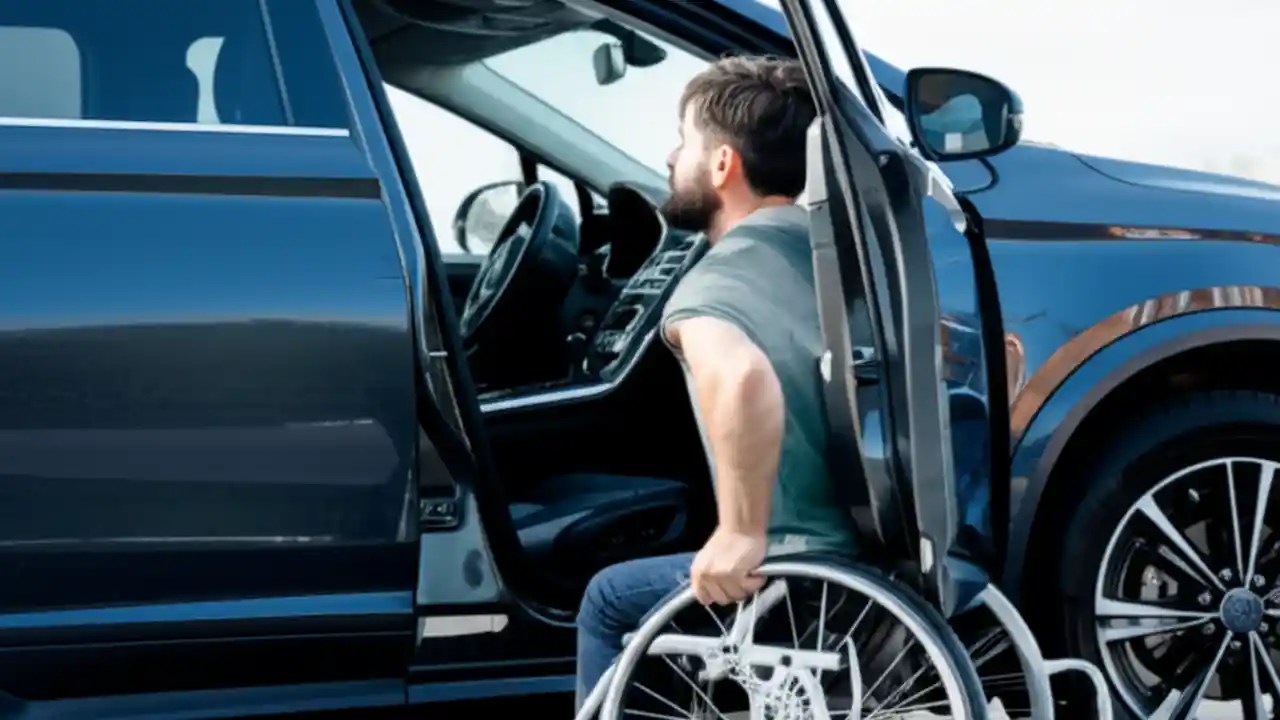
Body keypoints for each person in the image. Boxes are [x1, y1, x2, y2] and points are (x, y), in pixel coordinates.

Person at [573, 54, 859, 710]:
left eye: (684, 142)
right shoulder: (835, 258)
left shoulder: (714, 284)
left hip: (791, 569)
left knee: (607, 599)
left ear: (723, 164)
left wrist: (740, 532)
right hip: (865, 555)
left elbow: (743, 379)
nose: (672, 158)